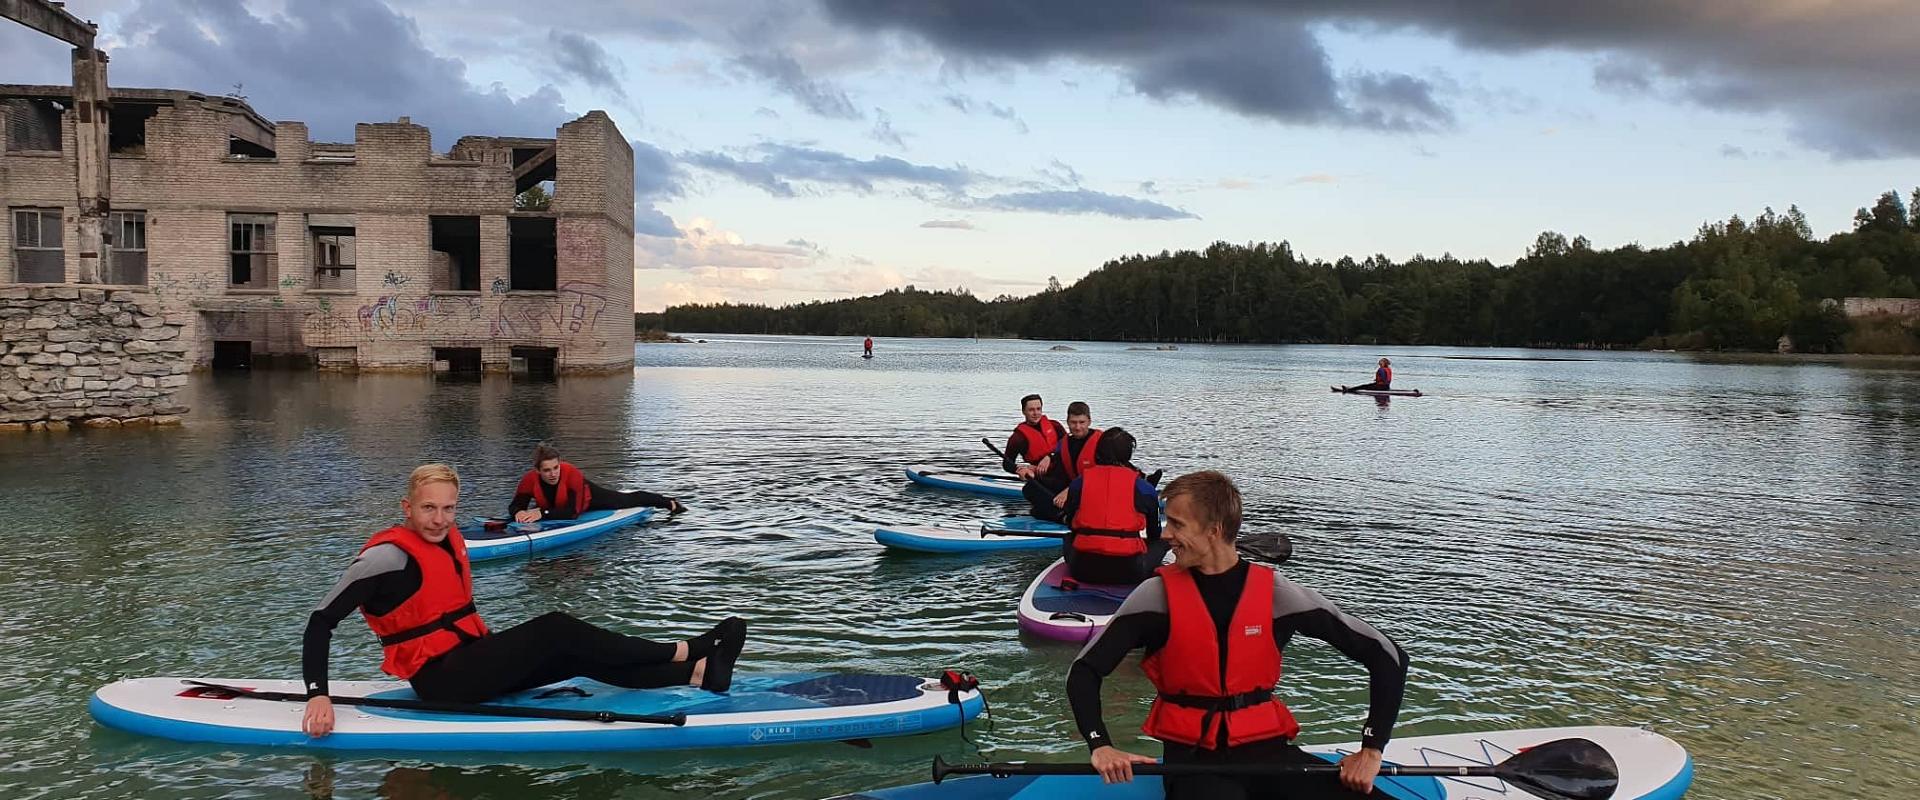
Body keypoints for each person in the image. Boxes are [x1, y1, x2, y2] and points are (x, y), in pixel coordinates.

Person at [300, 464, 747, 737]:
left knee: (573, 654)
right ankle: (684, 649)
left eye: (448, 508)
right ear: (407, 507)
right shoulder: (385, 557)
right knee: (555, 627)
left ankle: (698, 673)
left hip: (472, 662)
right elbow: (321, 622)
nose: (439, 519)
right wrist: (318, 696)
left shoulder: (449, 541)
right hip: (440, 682)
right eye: (428, 508)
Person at [1068, 471, 1408, 799]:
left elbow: (1387, 655)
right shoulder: (1155, 596)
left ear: (1214, 530)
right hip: (1194, 767)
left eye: (1177, 524)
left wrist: (1371, 748)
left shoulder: (1276, 594)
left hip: (1271, 758)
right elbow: (1084, 670)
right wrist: (1100, 745)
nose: (1166, 534)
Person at [1059, 427, 1164, 585]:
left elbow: (1070, 521)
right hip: (1130, 572)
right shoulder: (1145, 488)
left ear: (1098, 452)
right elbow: (1154, 532)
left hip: (1082, 570)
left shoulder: (1079, 483)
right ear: (1128, 455)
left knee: (1069, 537)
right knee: (1160, 543)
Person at [510, 443, 684, 523]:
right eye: (547, 470)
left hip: (588, 499)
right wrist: (519, 512)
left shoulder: (572, 474)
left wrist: (542, 513)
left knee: (625, 500)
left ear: (560, 463)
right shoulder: (529, 480)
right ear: (537, 470)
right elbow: (515, 506)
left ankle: (669, 502)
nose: (553, 474)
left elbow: (573, 513)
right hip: (556, 507)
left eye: (556, 468)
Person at [1023, 401, 1099, 522]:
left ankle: (1062, 516)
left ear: (1089, 422)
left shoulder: (1101, 442)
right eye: (1073, 422)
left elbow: (1101, 473)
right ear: (1067, 422)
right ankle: (1062, 515)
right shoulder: (1064, 443)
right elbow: (1057, 471)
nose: (1077, 427)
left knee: (1038, 511)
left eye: (1082, 422)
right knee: (1030, 487)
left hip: (1092, 489)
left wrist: (1070, 490)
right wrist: (1034, 472)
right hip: (1071, 487)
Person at [1002, 394, 1066, 479]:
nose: (1036, 413)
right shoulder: (1018, 438)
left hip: (1064, 472)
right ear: (1024, 411)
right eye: (1031, 410)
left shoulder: (1055, 426)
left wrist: (1050, 457)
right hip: (1041, 477)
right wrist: (1021, 469)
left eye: (1038, 409)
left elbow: (1069, 447)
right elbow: (1007, 464)